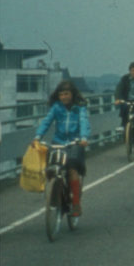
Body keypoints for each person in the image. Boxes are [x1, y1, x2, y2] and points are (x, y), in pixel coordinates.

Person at [33, 80, 91, 217]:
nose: (64, 97)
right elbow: (47, 121)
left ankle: (76, 203)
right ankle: (56, 194)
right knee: (51, 170)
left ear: (72, 94)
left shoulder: (80, 107)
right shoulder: (56, 108)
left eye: (66, 93)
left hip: (74, 143)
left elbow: (84, 122)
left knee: (71, 169)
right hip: (58, 142)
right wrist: (37, 137)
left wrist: (83, 138)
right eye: (61, 94)